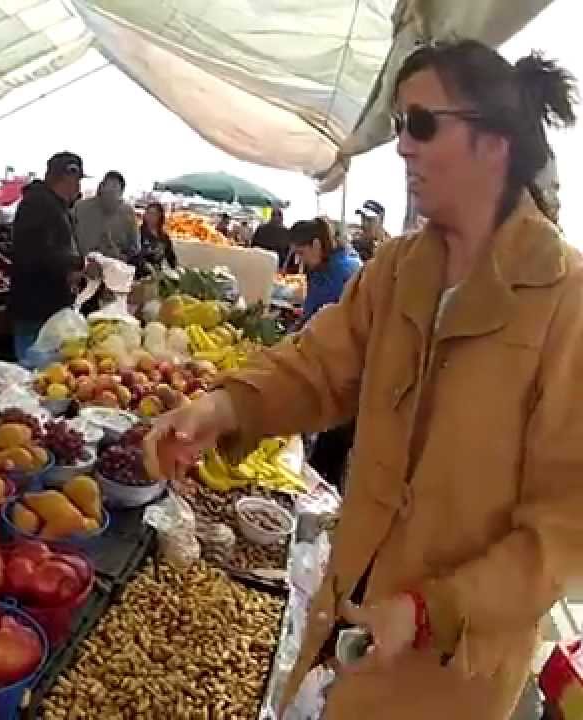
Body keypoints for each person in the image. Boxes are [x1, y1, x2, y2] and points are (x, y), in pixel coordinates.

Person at [143, 40, 581, 720]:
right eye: (401, 126)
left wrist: (433, 610)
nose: (403, 147)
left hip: (449, 673)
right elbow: (319, 366)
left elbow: (564, 526)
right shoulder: (399, 269)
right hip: (348, 617)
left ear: (494, 142)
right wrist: (224, 407)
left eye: (422, 124)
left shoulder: (568, 302)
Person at [288, 217, 362, 491]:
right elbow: (311, 315)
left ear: (317, 244)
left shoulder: (348, 273)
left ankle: (324, 508)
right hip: (326, 369)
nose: (300, 260)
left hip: (349, 375)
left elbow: (338, 327)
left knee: (332, 449)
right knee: (323, 445)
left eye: (301, 253)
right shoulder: (321, 271)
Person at [8, 152, 85, 365]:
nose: (79, 187)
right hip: (36, 307)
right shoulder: (38, 206)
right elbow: (37, 255)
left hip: (47, 307)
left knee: (46, 377)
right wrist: (78, 264)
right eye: (77, 180)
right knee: (33, 372)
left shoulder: (53, 206)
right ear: (67, 177)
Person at [73, 171, 139, 262]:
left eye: (114, 187)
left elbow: (134, 246)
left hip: (115, 267)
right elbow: (69, 237)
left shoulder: (128, 212)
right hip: (83, 265)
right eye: (107, 185)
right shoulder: (81, 207)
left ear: (121, 193)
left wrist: (125, 257)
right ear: (101, 187)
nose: (109, 191)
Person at [136, 203, 178, 275]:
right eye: (148, 213)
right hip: (139, 274)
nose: (150, 217)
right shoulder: (138, 233)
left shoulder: (164, 237)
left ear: (160, 216)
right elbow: (133, 254)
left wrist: (175, 269)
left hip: (156, 275)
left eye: (154, 214)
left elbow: (171, 256)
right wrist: (144, 264)